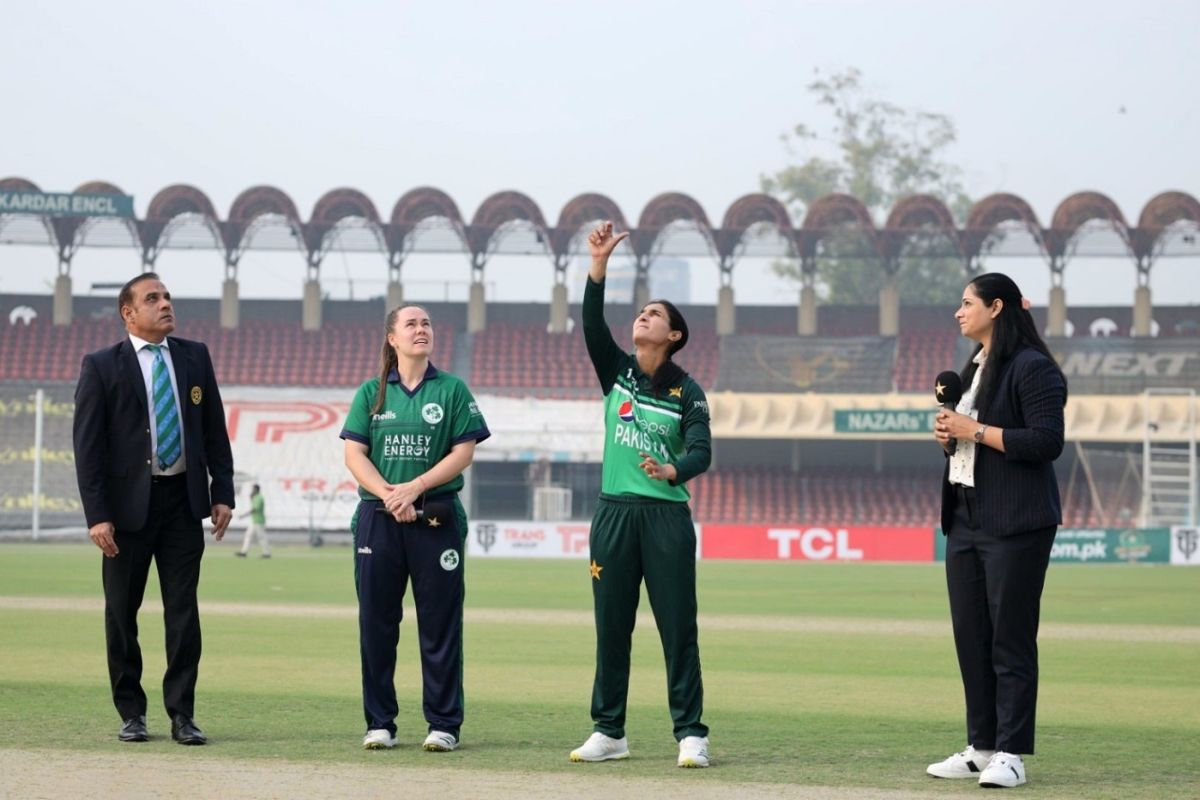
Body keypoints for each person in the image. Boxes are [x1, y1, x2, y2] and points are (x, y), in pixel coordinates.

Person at [568, 221, 713, 769]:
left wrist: (673, 469)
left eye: (655, 314)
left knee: (678, 628)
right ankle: (609, 731)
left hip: (665, 518)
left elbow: (702, 452)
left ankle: (692, 733)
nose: (643, 317)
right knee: (612, 629)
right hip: (613, 516)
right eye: (641, 312)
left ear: (674, 335)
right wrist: (598, 266)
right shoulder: (618, 374)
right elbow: (589, 323)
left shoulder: (687, 391)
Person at [72, 272, 234, 746]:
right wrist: (97, 514)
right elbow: (88, 447)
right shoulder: (101, 365)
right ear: (129, 312)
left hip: (182, 503)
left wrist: (221, 491)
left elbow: (214, 430)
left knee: (183, 612)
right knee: (122, 612)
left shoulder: (194, 356)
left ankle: (182, 714)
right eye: (153, 298)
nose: (165, 304)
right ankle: (131, 712)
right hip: (125, 513)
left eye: (166, 296)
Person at [928, 272, 1067, 789]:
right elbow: (970, 439)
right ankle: (981, 744)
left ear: (997, 307)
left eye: (967, 303)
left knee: (1010, 639)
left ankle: (1011, 752)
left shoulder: (1033, 368)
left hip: (1016, 522)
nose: (959, 312)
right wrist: (950, 438)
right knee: (972, 637)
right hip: (965, 516)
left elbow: (1046, 441)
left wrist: (974, 431)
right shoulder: (975, 367)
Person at [340, 304, 489, 753]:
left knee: (440, 624)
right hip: (378, 519)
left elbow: (464, 453)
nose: (421, 329)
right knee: (376, 625)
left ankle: (443, 723)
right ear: (392, 338)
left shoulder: (452, 389)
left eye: (426, 323)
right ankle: (380, 722)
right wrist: (391, 494)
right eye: (411, 324)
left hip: (436, 518)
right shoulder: (371, 394)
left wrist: (415, 488)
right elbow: (353, 455)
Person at [236, 483, 270, 558]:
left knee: (261, 537)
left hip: (259, 521)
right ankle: (244, 552)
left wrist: (243, 516)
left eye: (253, 489)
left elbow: (254, 509)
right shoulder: (255, 497)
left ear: (257, 489)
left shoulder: (259, 497)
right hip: (254, 521)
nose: (252, 490)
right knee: (248, 536)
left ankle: (267, 553)